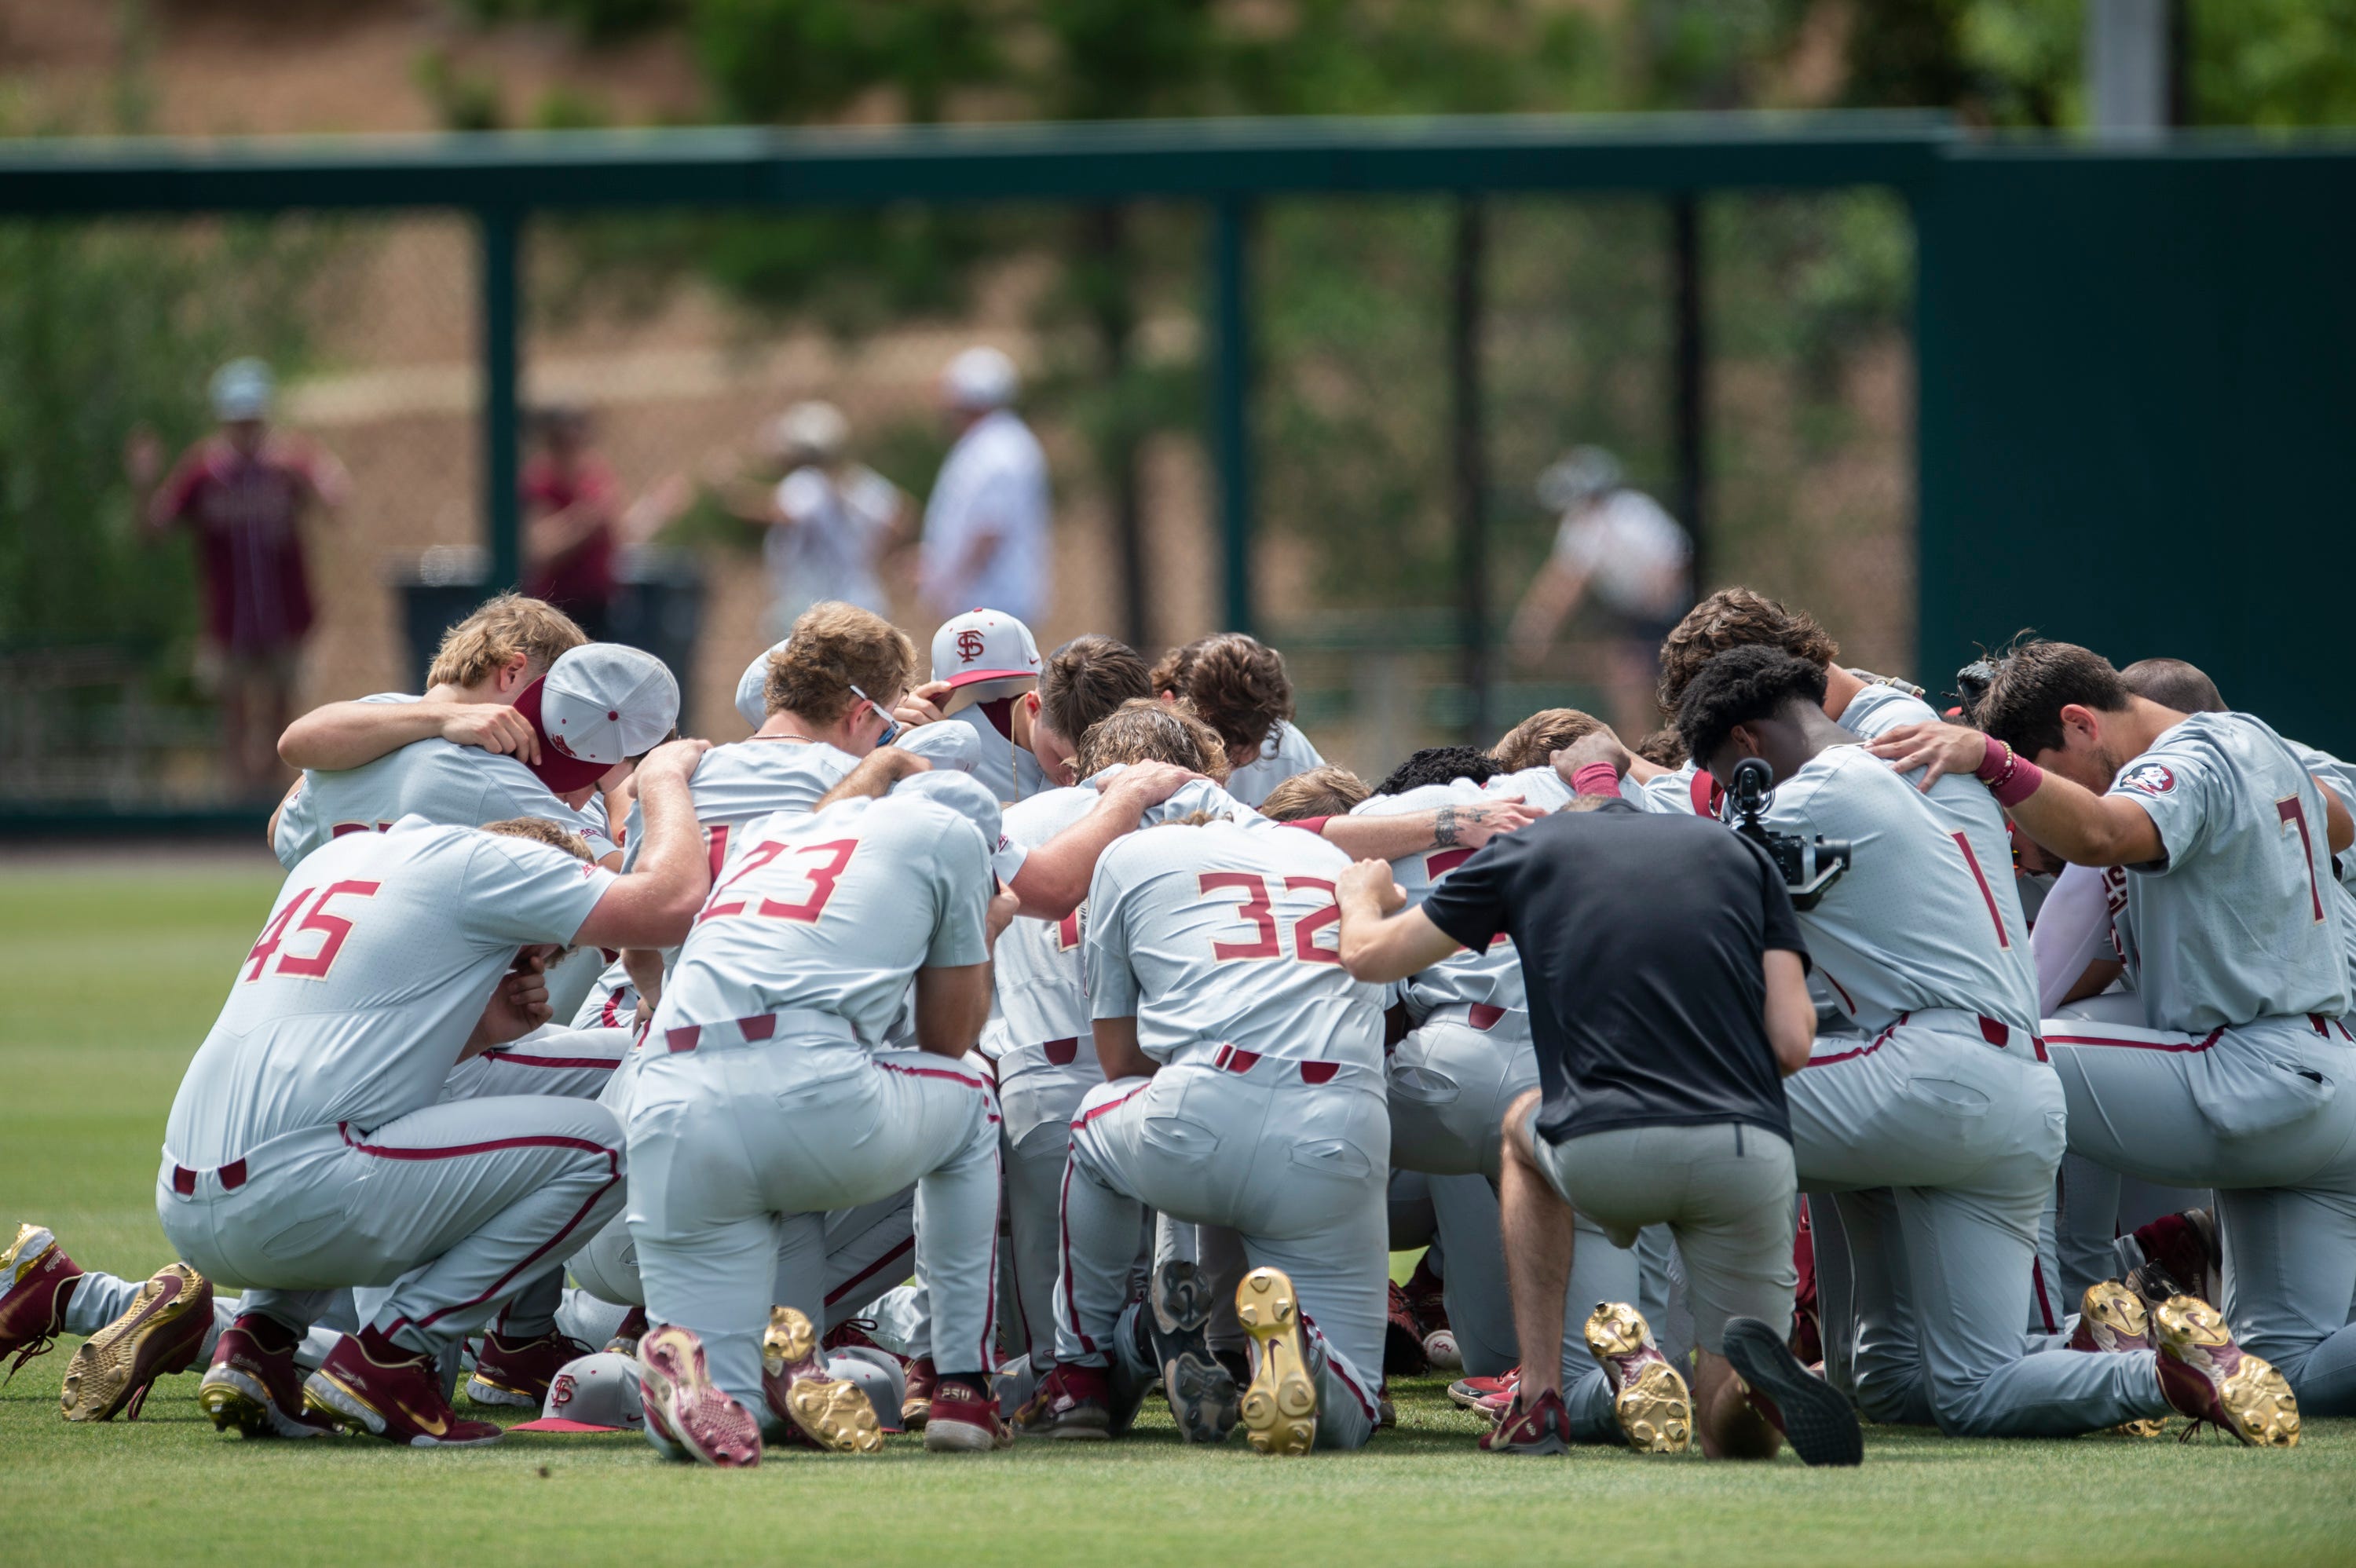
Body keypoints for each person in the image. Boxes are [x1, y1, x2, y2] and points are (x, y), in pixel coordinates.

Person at [1675, 646, 2223, 1442]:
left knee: (1669, 1108)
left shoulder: (1819, 792)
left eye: (1728, 773)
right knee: (1950, 1385)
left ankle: (1665, 1361)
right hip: (2014, 1093)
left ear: (1748, 744)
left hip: (1927, 1071)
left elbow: (1698, 927)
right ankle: (2167, 1371)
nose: (1734, 791)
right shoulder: (1936, 757)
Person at [154, 739, 712, 1448]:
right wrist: (658, 777)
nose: (540, 967)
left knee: (394, 1103)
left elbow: (389, 1045)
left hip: (189, 1197)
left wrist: (488, 1024)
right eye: (538, 951)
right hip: (297, 1189)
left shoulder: (341, 860)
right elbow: (668, 906)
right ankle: (388, 1357)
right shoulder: (490, 865)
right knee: (604, 1146)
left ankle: (261, 1343)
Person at [1331, 726, 1858, 1465]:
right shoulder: (1734, 854)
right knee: (1721, 1425)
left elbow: (1368, 955)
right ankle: (1753, 1393)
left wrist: (1362, 895)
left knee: (1518, 1127)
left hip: (1602, 1127)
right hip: (1749, 1139)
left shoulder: (1528, 848)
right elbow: (1792, 1042)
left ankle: (1539, 1393)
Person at [1870, 639, 2347, 1431]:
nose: (2045, 814)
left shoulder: (2188, 752)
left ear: (2081, 721)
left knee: (1997, 1067)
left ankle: (2049, 1336)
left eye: (2055, 769)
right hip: (2320, 1093)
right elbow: (2331, 822)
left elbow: (2100, 834)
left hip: (2257, 1071)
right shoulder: (2258, 744)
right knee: (2290, 1365)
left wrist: (1991, 758)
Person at [624, 771, 1017, 1466]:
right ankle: (961, 1382)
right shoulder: (951, 834)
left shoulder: (771, 832)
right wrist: (980, 929)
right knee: (972, 1092)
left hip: (666, 1098)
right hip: (802, 1086)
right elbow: (947, 1040)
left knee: (731, 1410)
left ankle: (693, 1387)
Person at [1029, 802, 1391, 1454]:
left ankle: (1083, 1369)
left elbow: (1120, 1061)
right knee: (1358, 1406)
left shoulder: (1136, 856)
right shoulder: (1330, 862)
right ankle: (1301, 1352)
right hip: (1339, 1121)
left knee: (1093, 1120)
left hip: (1203, 1109)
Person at [137, 356, 349, 797]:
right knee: (232, 712)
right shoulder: (204, 472)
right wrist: (144, 483)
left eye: (253, 419)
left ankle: (275, 801)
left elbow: (335, 499)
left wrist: (321, 470)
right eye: (238, 420)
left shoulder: (287, 464)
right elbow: (155, 529)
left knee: (281, 713)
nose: (247, 430)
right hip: (227, 615)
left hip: (286, 613)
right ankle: (235, 805)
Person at [1505, 447, 1688, 739]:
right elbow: (1564, 579)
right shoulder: (1593, 522)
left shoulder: (1629, 514)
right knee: (1626, 681)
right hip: (1635, 617)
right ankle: (1644, 752)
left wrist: (1536, 627)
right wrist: (1536, 624)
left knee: (1670, 693)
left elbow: (1674, 565)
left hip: (1672, 616)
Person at [730, 400, 905, 636]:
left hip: (813, 604)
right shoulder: (859, 480)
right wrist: (869, 554)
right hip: (862, 597)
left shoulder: (806, 480)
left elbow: (783, 514)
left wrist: (732, 492)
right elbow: (900, 518)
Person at [918, 348, 1050, 627]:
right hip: (988, 600)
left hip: (991, 601)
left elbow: (988, 529)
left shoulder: (996, 450)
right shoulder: (995, 442)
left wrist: (947, 582)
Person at [1149, 634, 1325, 807]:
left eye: (1237, 758)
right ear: (1169, 704)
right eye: (1213, 737)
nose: (1224, 770)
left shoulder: (1287, 748)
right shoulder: (1137, 759)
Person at [521, 405, 626, 640]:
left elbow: (618, 532)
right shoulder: (540, 483)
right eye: (563, 440)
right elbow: (542, 549)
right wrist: (584, 520)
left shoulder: (594, 478)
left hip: (600, 604)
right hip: (557, 609)